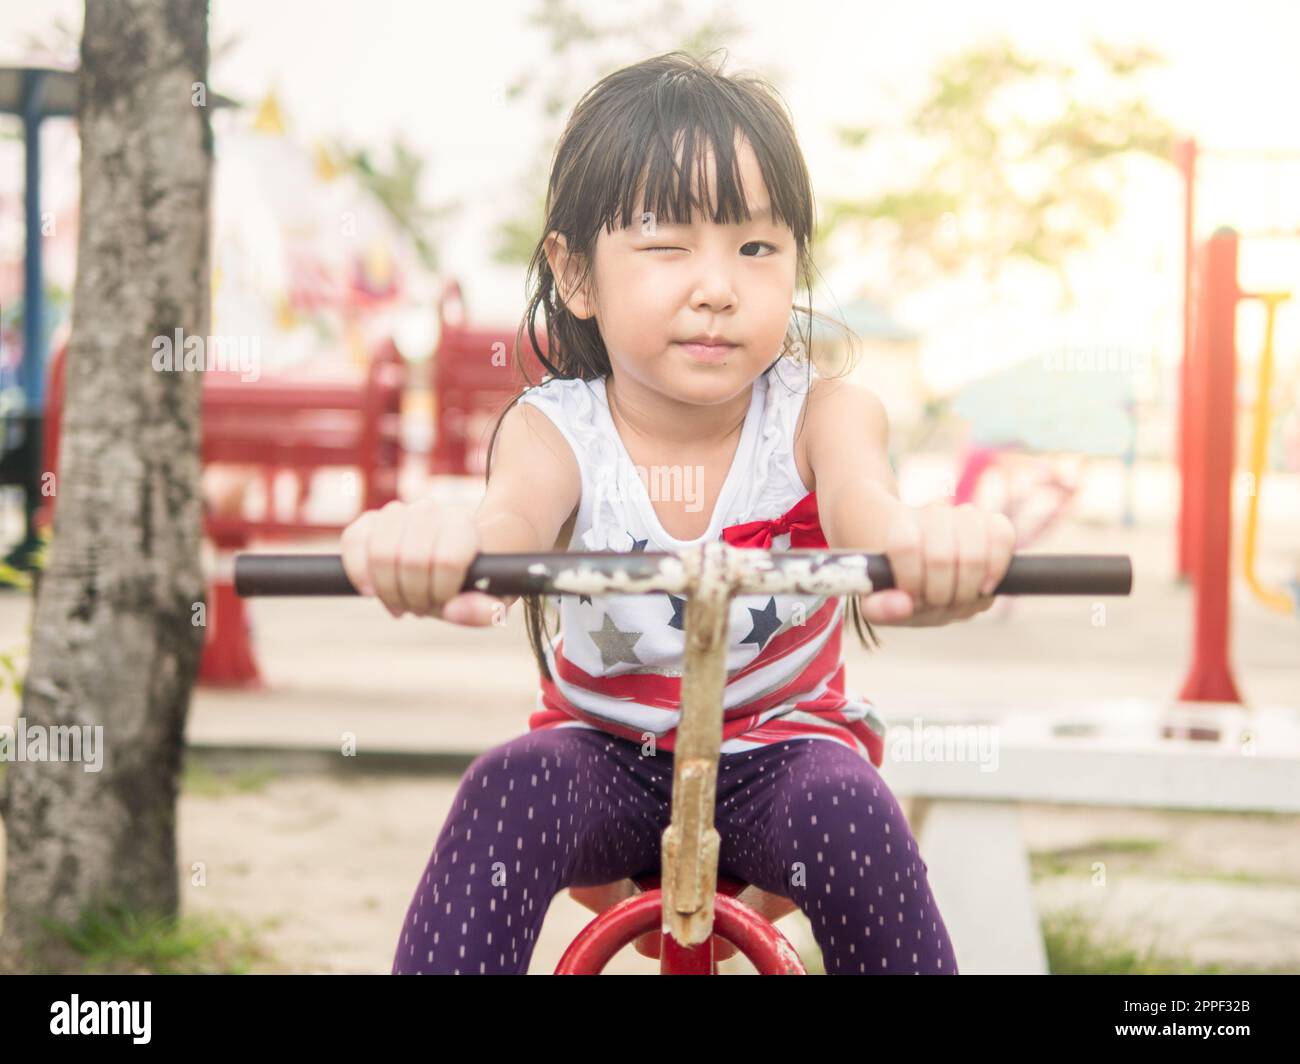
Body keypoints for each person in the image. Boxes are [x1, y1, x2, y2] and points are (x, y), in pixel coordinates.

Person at [341, 51, 1015, 975]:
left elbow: (874, 516)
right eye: (666, 246)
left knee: (851, 806)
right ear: (576, 275)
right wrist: (432, 543)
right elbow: (500, 533)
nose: (717, 286)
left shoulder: (825, 414)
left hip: (785, 760)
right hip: (604, 757)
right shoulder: (553, 433)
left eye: (756, 247)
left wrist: (934, 546)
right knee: (507, 787)